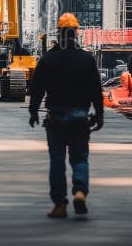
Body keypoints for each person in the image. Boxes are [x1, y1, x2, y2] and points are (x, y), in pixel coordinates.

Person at [28, 12, 104, 218]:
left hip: (56, 117)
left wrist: (33, 111)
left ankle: (60, 204)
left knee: (57, 162)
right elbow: (96, 90)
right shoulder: (86, 59)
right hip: (80, 117)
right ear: (76, 33)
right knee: (80, 159)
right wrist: (99, 114)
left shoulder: (49, 58)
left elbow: (37, 88)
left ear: (59, 33)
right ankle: (80, 191)